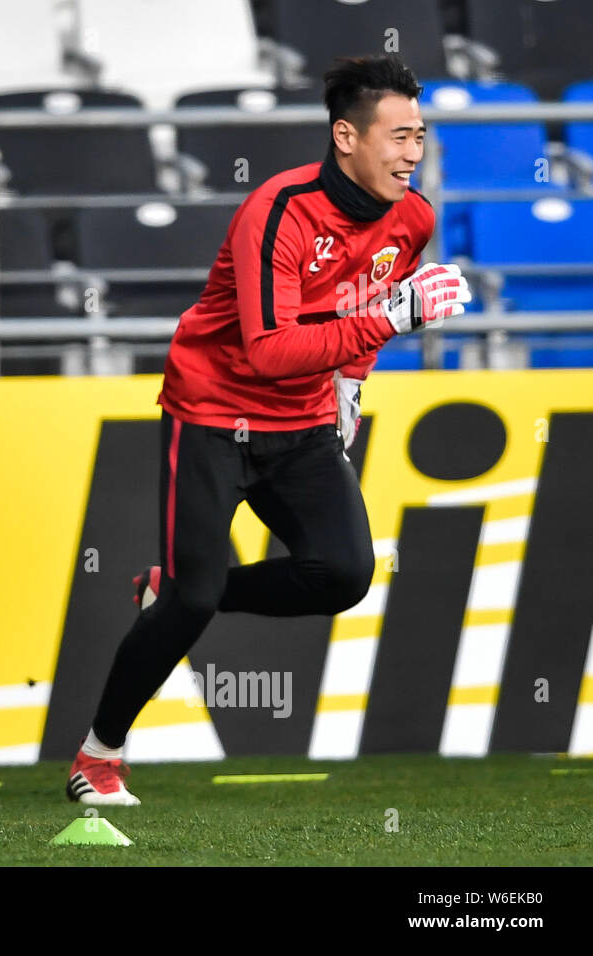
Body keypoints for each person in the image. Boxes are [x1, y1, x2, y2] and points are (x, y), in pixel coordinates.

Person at [66, 54, 471, 805]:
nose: (414, 151)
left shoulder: (413, 219)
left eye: (421, 134)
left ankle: (183, 587)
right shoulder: (278, 210)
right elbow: (271, 350)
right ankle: (98, 757)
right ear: (345, 136)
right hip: (215, 413)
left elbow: (369, 315)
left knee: (345, 575)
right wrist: (390, 318)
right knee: (191, 603)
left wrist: (354, 382)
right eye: (399, 135)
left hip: (305, 422)